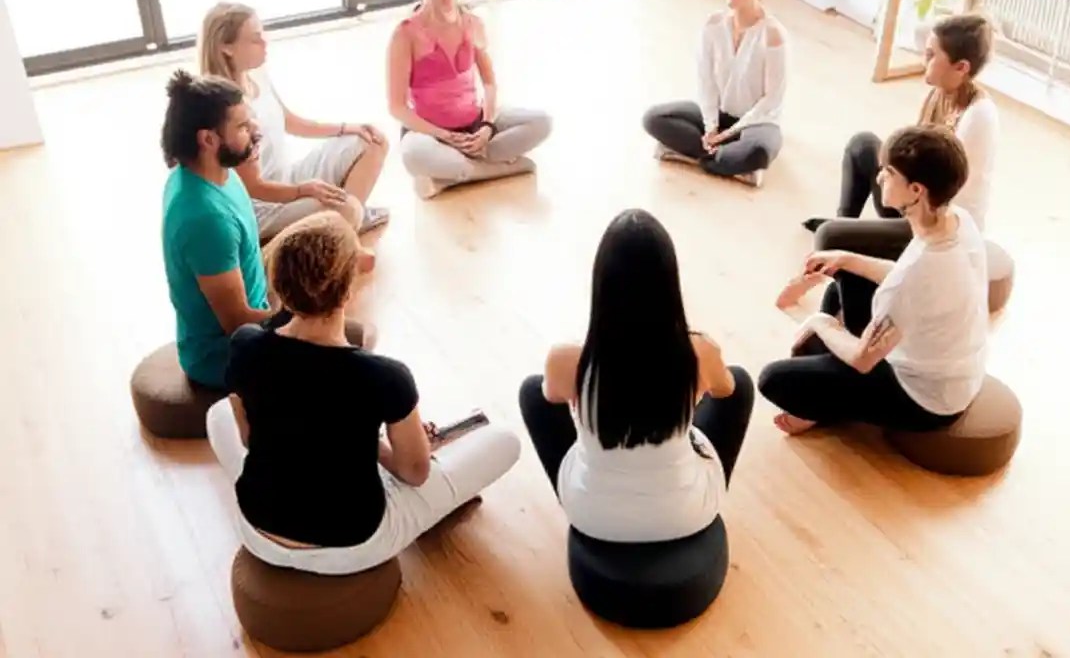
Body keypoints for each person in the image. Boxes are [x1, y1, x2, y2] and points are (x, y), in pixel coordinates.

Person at [206, 211, 521, 576]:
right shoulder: (384, 377)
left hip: (258, 531)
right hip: (352, 546)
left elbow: (247, 438)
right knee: (503, 440)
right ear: (348, 289)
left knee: (218, 413)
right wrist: (373, 443)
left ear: (278, 282)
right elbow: (414, 473)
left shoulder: (246, 345)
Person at [518, 209, 755, 543]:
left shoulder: (567, 358)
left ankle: (582, 488)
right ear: (670, 282)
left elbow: (551, 397)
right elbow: (727, 390)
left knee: (533, 392)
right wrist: (690, 395)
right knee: (739, 382)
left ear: (601, 282)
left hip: (592, 516)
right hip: (688, 515)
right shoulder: (699, 350)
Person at [762, 125, 988, 436]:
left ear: (916, 190)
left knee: (773, 379)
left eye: (888, 172)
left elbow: (862, 359)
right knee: (844, 274)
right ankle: (829, 368)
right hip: (954, 372)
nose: (879, 177)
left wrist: (817, 321)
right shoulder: (959, 221)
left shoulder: (915, 275)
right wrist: (845, 259)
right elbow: (909, 278)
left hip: (925, 402)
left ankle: (823, 406)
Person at [160, 70, 373, 392]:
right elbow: (237, 324)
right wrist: (306, 316)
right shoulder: (205, 219)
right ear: (208, 139)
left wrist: (305, 191)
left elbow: (258, 190)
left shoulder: (214, 171)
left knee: (336, 223)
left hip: (257, 288)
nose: (257, 132)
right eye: (243, 127)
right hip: (223, 355)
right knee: (358, 343)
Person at [802, 12, 999, 259]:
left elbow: (944, 197)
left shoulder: (978, 117)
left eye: (931, 55)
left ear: (961, 67)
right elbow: (913, 155)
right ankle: (846, 223)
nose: (922, 59)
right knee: (862, 145)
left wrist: (895, 180)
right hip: (914, 198)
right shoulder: (940, 94)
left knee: (829, 236)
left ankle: (847, 240)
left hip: (936, 223)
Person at [198, 2, 390, 243]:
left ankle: (344, 227)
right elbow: (253, 186)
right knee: (347, 207)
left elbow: (289, 121)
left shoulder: (256, 74)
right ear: (227, 48)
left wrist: (346, 128)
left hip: (288, 178)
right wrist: (302, 191)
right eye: (255, 39)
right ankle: (344, 229)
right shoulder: (222, 105)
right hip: (264, 203)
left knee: (373, 141)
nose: (265, 42)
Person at [387, 0, 553, 199]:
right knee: (412, 155)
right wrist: (445, 136)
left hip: (475, 124)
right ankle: (504, 167)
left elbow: (489, 83)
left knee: (543, 122)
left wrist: (486, 126)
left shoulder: (473, 23)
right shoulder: (405, 34)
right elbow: (397, 107)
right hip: (430, 134)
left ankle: (457, 175)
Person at [642, 0, 787, 188]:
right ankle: (730, 165)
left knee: (759, 152)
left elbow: (772, 100)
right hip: (718, 116)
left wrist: (727, 135)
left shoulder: (772, 34)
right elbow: (706, 82)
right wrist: (711, 128)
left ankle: (692, 156)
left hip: (756, 123)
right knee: (653, 119)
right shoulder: (713, 25)